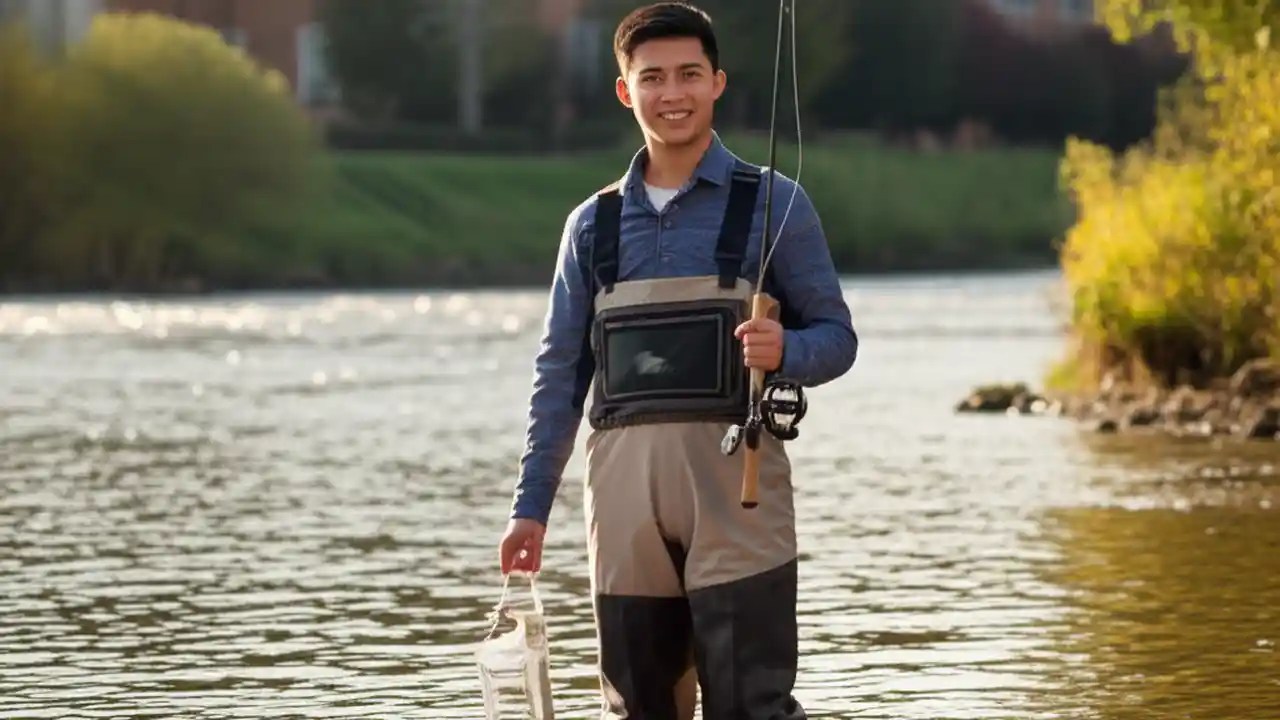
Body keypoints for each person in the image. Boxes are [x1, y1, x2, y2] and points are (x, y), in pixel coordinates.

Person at [498, 2, 857, 717]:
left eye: (690, 74)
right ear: (625, 91)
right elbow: (559, 377)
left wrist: (788, 350)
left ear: (717, 82)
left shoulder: (776, 204)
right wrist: (530, 507)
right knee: (637, 705)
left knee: (751, 703)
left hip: (738, 492)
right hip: (623, 502)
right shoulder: (589, 225)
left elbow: (837, 339)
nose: (673, 94)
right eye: (653, 77)